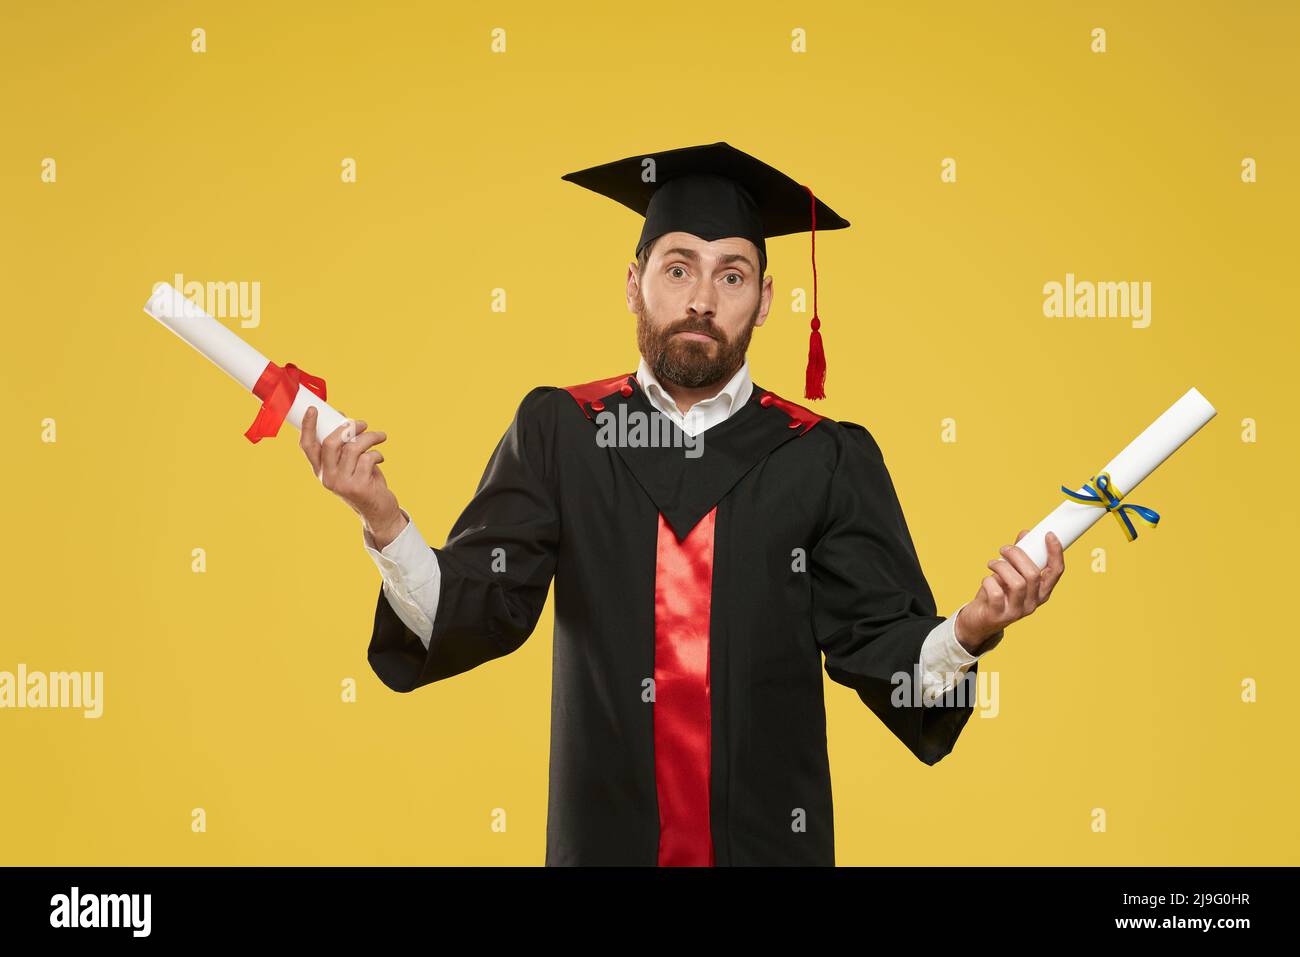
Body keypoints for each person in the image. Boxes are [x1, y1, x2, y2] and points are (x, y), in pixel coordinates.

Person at [299, 142, 1066, 866]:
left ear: (764, 300)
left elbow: (887, 654)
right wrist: (383, 519)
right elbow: (471, 611)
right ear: (633, 283)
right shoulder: (563, 430)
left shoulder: (824, 455)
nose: (702, 299)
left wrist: (970, 630)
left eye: (732, 276)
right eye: (678, 269)